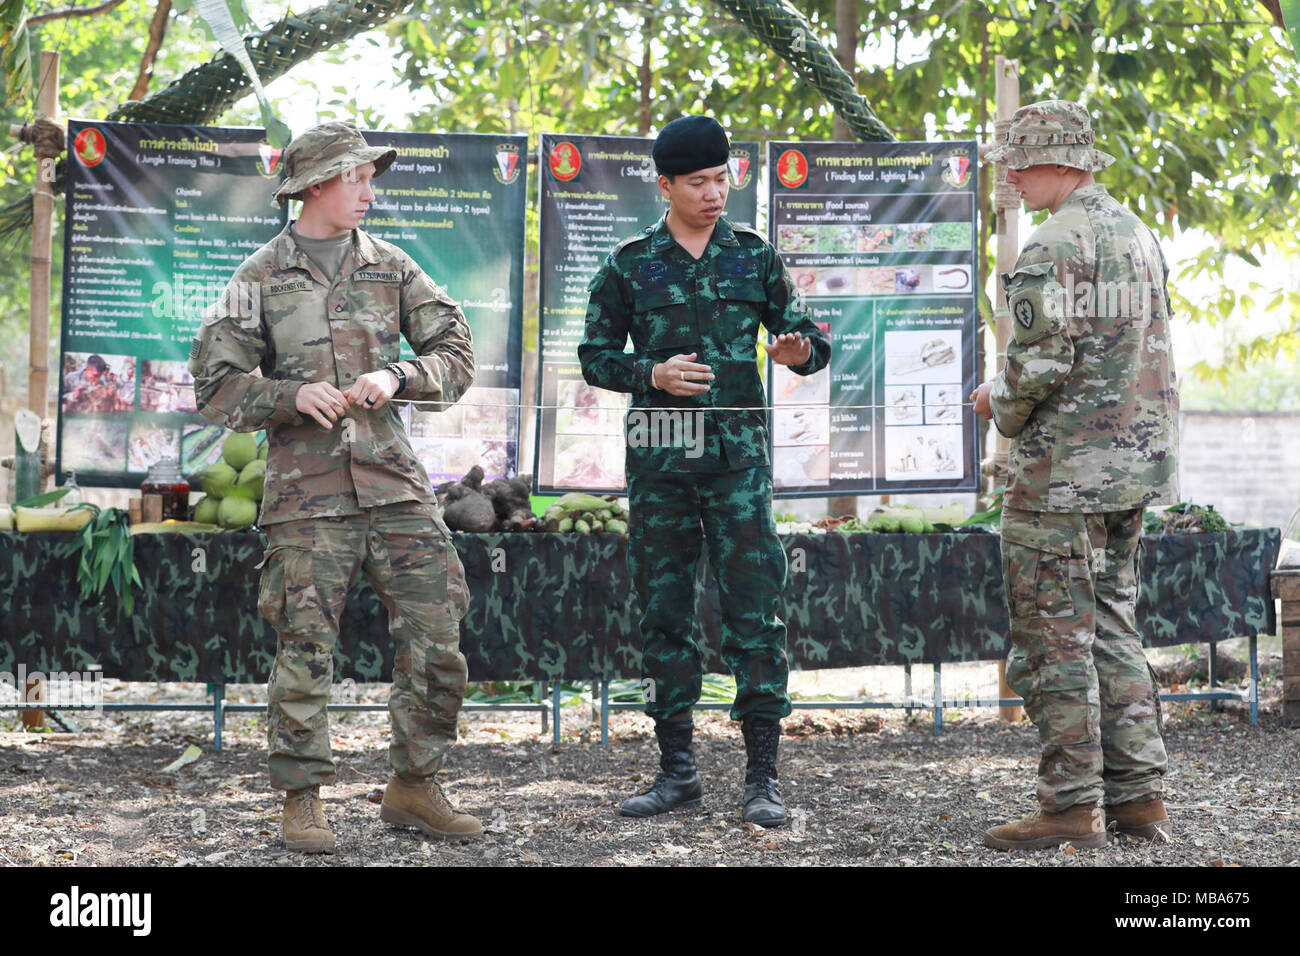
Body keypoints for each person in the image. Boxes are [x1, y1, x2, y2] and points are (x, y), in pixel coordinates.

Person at [189, 121, 479, 854]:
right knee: (305, 648)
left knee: (438, 635)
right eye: (357, 178)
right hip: (306, 496)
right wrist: (289, 398)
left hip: (396, 486)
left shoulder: (393, 267)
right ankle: (302, 799)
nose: (369, 192)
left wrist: (400, 376)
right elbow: (215, 385)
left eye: (370, 178)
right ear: (315, 185)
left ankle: (414, 787)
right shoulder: (257, 276)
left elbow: (456, 352)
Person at [578, 116, 830, 828]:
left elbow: (813, 344)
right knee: (666, 615)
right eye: (699, 182)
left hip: (738, 466)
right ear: (665, 186)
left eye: (723, 179)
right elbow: (594, 356)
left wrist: (793, 354)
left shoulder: (754, 256)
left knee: (755, 612)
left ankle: (762, 779)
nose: (716, 193)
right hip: (660, 464)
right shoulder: (630, 264)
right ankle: (677, 772)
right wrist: (649, 371)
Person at [972, 100, 1179, 850]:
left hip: (1060, 479)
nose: (1014, 179)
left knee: (1054, 640)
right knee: (1115, 628)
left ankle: (1070, 806)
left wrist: (995, 399)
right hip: (1132, 467)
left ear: (1058, 161)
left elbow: (1040, 365)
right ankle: (1137, 799)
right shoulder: (1137, 234)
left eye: (1020, 165)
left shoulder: (1052, 245)